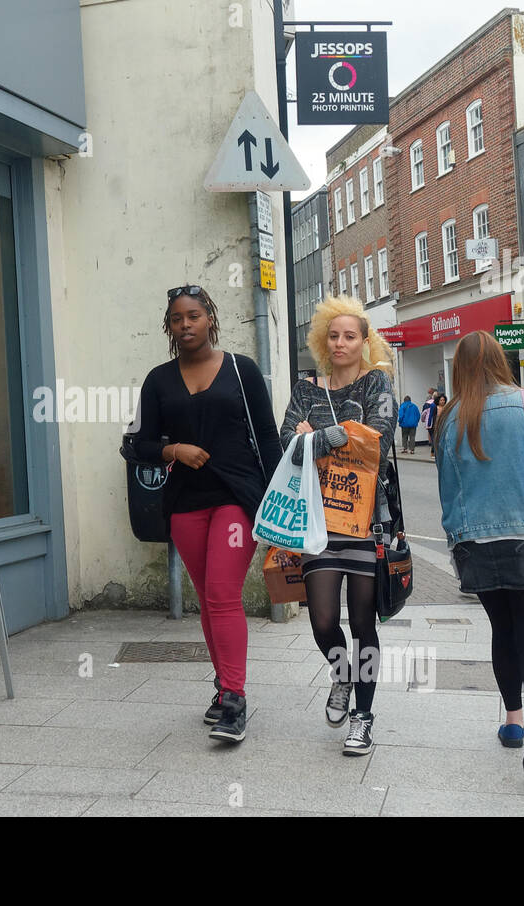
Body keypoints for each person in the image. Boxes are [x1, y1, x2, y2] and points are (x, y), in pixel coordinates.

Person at [132, 285, 282, 743]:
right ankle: (222, 688)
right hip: (185, 505)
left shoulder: (242, 371)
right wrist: (173, 449)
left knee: (222, 593)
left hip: (237, 499)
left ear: (210, 318)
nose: (186, 325)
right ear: (169, 326)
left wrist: (279, 512)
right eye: (177, 318)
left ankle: (234, 699)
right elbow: (135, 445)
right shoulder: (158, 380)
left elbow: (270, 441)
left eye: (194, 315)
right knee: (207, 599)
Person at [434, 331, 524, 783]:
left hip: (476, 544)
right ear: (501, 360)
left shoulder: (449, 417)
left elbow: (447, 486)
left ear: (458, 368)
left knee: (502, 631)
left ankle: (514, 723)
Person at [279, 296, 397, 756]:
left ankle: (363, 719)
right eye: (334, 335)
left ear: (364, 341)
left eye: (350, 335)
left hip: (366, 521)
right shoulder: (306, 388)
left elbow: (377, 444)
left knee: (364, 621)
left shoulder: (376, 383)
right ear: (322, 340)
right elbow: (285, 444)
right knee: (324, 620)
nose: (341, 343)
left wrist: (318, 436)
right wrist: (325, 436)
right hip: (317, 521)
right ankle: (341, 674)